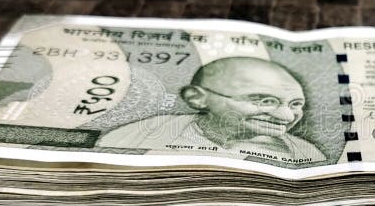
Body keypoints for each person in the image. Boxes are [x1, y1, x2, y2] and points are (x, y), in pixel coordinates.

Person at [98, 57, 326, 163]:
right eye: (265, 101)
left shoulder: (307, 154)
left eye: (295, 104)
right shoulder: (134, 135)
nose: (286, 117)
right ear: (197, 98)